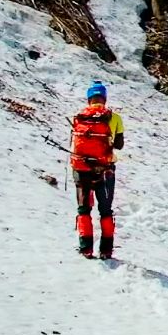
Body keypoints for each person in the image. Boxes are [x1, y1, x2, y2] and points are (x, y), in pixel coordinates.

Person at [69, 81, 123, 259]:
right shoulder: (114, 117)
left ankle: (86, 248)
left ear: (89, 99)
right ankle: (106, 251)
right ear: (104, 99)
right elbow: (120, 145)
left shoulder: (79, 117)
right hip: (105, 169)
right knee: (105, 210)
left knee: (84, 209)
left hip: (82, 168)